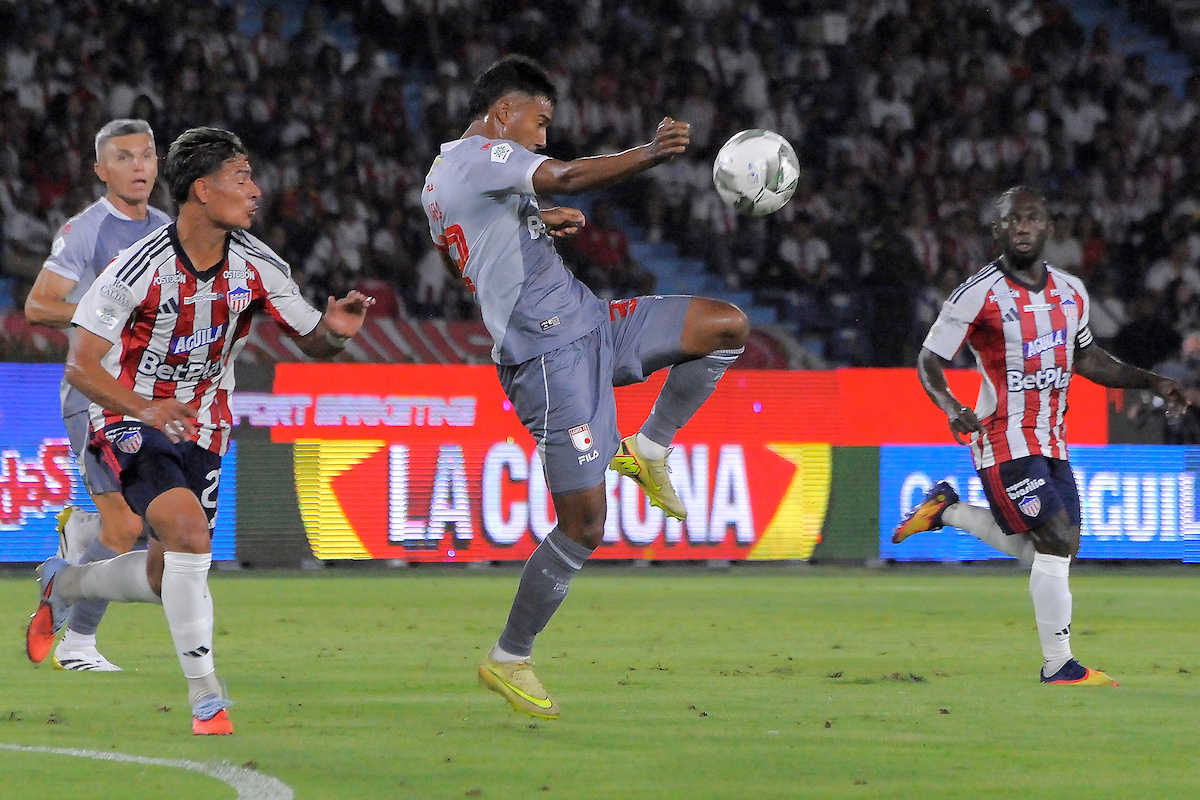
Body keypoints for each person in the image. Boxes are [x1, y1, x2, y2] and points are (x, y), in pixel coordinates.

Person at [423, 56, 747, 719]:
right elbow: (566, 171)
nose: (542, 138)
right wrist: (651, 154)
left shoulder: (445, 176)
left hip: (592, 323)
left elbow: (475, 242)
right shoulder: (479, 154)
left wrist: (537, 219)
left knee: (727, 326)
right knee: (586, 522)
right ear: (503, 113)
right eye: (539, 121)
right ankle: (510, 655)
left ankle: (649, 449)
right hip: (547, 356)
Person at [25, 127, 373, 735]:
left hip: (206, 426)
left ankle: (68, 581)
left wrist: (337, 331)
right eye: (242, 178)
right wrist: (146, 407)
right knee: (188, 535)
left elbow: (313, 340)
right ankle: (206, 696)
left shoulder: (260, 264)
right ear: (204, 191)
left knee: (167, 574)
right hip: (127, 416)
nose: (256, 190)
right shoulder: (133, 270)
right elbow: (82, 367)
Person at [893, 186, 1186, 686]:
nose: (1023, 227)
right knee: (1055, 540)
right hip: (1002, 437)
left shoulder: (1071, 292)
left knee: (1059, 548)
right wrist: (950, 405)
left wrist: (1152, 380)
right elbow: (929, 359)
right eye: (1012, 220)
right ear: (998, 231)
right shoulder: (977, 293)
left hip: (1052, 438)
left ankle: (948, 510)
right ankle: (1059, 666)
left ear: (1049, 227)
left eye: (1032, 219)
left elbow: (1089, 359)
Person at [24, 119, 171, 672]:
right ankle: (77, 642)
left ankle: (78, 543)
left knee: (151, 538)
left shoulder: (167, 230)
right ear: (100, 169)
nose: (138, 167)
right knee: (127, 529)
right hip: (94, 393)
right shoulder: (85, 230)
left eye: (146, 156)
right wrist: (110, 315)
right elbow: (39, 304)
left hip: (147, 399)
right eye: (124, 157)